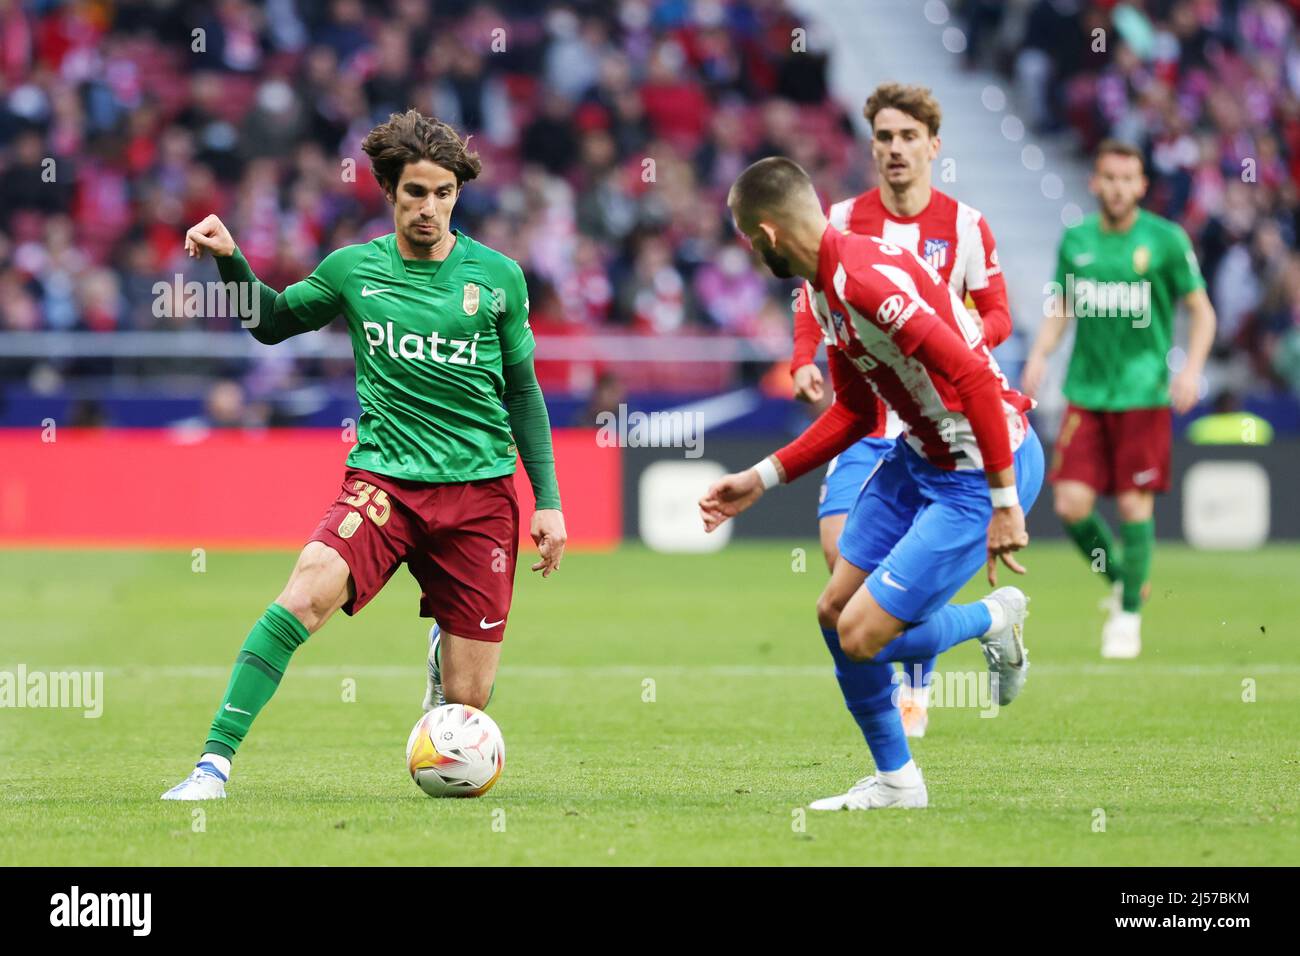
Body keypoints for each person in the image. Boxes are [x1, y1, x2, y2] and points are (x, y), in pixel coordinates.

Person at [162, 110, 566, 800]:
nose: (430, 208)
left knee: (467, 704)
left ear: (458, 194)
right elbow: (269, 322)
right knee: (303, 595)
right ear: (389, 191)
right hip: (385, 484)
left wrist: (550, 502)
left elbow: (524, 394)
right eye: (416, 193)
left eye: (443, 193)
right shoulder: (354, 269)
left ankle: (445, 650)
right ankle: (212, 766)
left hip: (480, 496)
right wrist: (231, 257)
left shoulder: (500, 279)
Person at [700, 157, 1043, 810]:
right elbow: (856, 411)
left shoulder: (860, 278)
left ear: (768, 236)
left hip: (977, 471)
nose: (751, 252)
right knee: (834, 613)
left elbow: (971, 375)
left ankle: (993, 618)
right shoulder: (824, 289)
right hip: (920, 456)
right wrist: (762, 478)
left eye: (748, 240)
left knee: (862, 635)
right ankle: (897, 783)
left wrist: (1005, 505)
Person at [790, 82, 1014, 737]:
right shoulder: (839, 223)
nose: (895, 149)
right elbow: (811, 301)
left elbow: (998, 310)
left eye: (908, 137)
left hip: (942, 418)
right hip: (872, 417)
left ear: (933, 146)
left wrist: (961, 340)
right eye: (884, 137)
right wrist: (805, 356)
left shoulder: (967, 226)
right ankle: (911, 658)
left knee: (898, 572)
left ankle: (916, 691)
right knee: (841, 558)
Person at [1022, 139, 1216, 658]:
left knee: (1134, 504)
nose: (1117, 188)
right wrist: (1040, 354)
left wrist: (1190, 369)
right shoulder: (1076, 240)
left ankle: (1128, 617)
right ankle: (1123, 579)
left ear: (1142, 186)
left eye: (1127, 179)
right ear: (1094, 182)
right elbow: (1061, 304)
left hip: (1143, 393)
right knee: (1069, 505)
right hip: (1086, 392)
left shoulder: (1166, 240)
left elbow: (1203, 311)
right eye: (1108, 177)